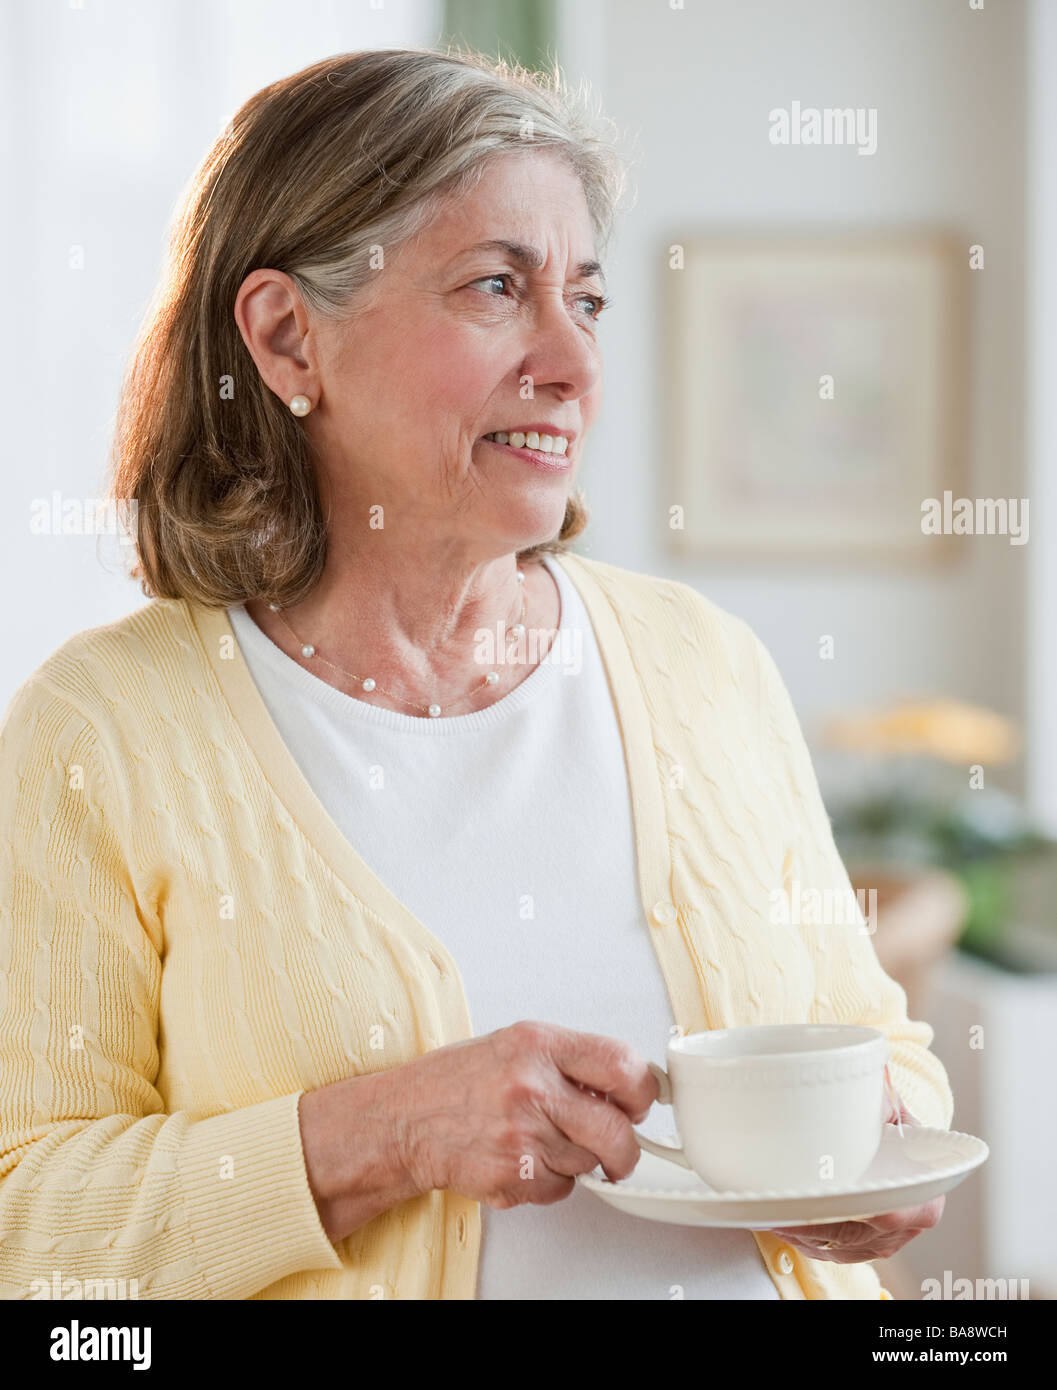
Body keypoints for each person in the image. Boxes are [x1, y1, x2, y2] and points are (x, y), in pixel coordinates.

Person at [0, 47, 950, 1301]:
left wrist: (876, 1139)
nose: (574, 362)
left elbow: (884, 1048)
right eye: (499, 288)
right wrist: (383, 1133)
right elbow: (28, 1224)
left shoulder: (703, 665)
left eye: (589, 301)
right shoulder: (102, 734)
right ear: (289, 339)